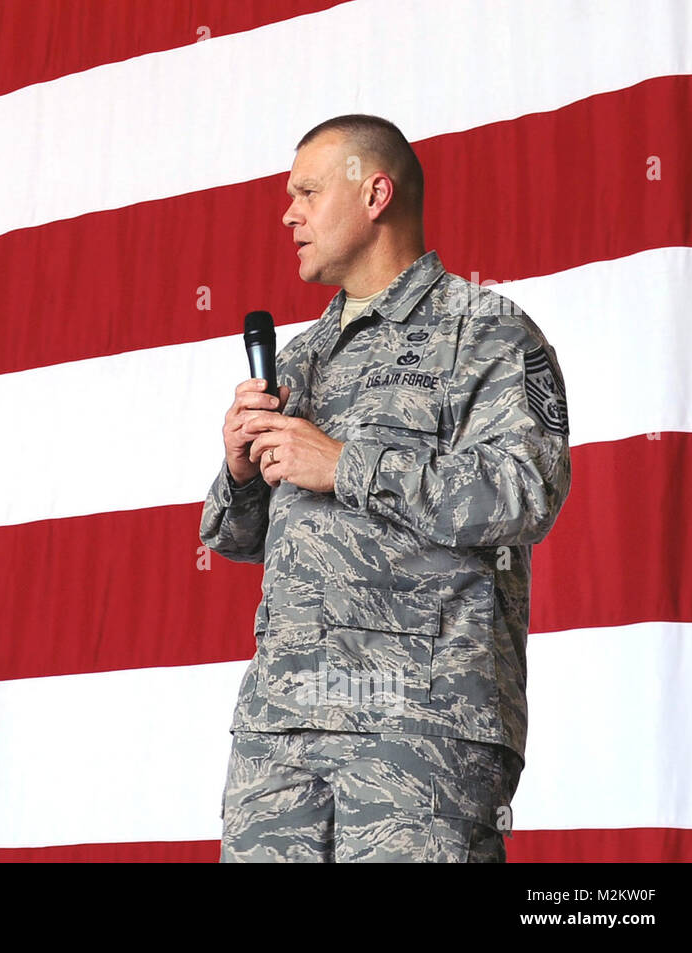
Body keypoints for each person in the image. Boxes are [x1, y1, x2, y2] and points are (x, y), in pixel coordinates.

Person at [199, 115, 572, 862]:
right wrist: (239, 471)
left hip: (423, 726)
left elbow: (527, 492)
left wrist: (348, 466)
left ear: (375, 194)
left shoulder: (489, 332)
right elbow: (240, 539)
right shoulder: (299, 358)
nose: (288, 212)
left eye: (306, 191)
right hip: (283, 729)